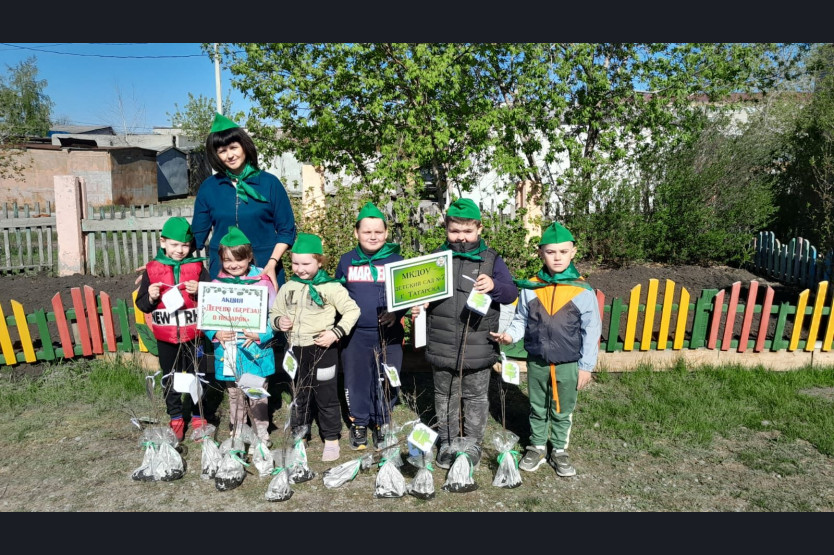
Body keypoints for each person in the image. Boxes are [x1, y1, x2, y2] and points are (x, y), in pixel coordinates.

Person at [412, 198, 518, 469]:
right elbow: (417, 293)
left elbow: (510, 293)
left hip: (478, 344)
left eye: (467, 231)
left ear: (479, 228)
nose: (461, 237)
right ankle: (447, 444)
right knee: (444, 396)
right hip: (443, 342)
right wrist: (418, 304)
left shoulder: (491, 259)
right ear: (445, 228)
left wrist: (494, 284)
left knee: (475, 397)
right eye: (454, 231)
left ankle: (471, 445)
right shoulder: (435, 260)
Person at [490, 221, 601, 477]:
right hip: (537, 361)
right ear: (541, 253)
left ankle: (560, 450)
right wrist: (509, 335)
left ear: (573, 252)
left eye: (563, 251)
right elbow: (520, 320)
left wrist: (586, 367)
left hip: (568, 364)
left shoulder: (582, 291)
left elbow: (591, 331)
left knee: (562, 408)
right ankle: (537, 446)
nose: (557, 257)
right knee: (538, 407)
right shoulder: (531, 287)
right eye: (551, 252)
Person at [269, 232, 361, 462]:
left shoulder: (330, 287)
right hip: (296, 349)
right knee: (300, 393)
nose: (300, 269)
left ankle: (331, 438)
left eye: (306, 263)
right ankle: (301, 435)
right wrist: (279, 322)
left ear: (319, 261)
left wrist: (335, 333)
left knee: (326, 394)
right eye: (295, 263)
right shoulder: (288, 287)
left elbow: (352, 310)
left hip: (322, 349)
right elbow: (274, 313)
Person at [191, 112, 296, 289]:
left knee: (268, 316)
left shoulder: (270, 184)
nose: (229, 155)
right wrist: (160, 265)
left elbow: (287, 230)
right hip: (223, 273)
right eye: (222, 151)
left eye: (233, 147)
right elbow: (195, 236)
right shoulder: (209, 187)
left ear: (244, 147)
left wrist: (272, 263)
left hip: (264, 269)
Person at [334, 202, 407, 451]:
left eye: (378, 231)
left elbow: (409, 295)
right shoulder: (347, 261)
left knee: (388, 379)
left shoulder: (397, 261)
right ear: (356, 233)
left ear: (386, 233)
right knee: (357, 379)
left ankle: (381, 421)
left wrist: (397, 313)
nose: (373, 236)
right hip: (356, 335)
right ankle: (360, 422)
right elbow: (337, 296)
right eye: (367, 231)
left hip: (390, 335)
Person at [135, 216, 212, 442]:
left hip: (194, 336)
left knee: (199, 375)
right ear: (163, 243)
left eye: (185, 245)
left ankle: (199, 416)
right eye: (175, 245)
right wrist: (150, 296)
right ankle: (176, 417)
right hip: (166, 338)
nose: (180, 250)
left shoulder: (198, 267)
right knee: (170, 377)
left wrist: (201, 290)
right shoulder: (153, 269)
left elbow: (212, 298)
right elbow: (142, 304)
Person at [203, 226, 277, 446]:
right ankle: (237, 430)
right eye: (227, 260)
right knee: (235, 395)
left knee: (256, 394)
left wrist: (261, 334)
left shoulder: (262, 283)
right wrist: (215, 332)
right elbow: (207, 318)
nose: (233, 265)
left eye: (239, 259)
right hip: (229, 353)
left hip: (255, 353)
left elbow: (276, 316)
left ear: (249, 256)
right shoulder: (216, 286)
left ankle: (261, 431)